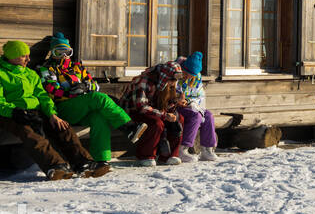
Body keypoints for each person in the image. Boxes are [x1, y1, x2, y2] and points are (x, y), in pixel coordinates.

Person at [0, 40, 106, 179]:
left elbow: (43, 96)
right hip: (10, 114)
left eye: (28, 55)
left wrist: (52, 114)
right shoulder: (2, 74)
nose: (28, 59)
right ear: (12, 56)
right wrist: (15, 112)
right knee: (30, 133)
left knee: (62, 127)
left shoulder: (30, 74)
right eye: (23, 56)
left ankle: (83, 162)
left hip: (35, 111)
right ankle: (54, 166)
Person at [37, 32, 144, 165]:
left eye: (67, 52)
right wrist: (72, 91)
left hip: (83, 106)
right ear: (52, 53)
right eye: (59, 53)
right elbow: (52, 90)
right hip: (63, 108)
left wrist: (86, 86)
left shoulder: (77, 67)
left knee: (98, 118)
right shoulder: (47, 69)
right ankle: (128, 127)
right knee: (99, 98)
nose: (64, 56)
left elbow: (95, 85)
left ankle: (101, 159)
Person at [117, 59, 185, 165]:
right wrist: (164, 115)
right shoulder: (143, 81)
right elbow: (141, 107)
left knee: (178, 118)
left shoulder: (167, 84)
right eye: (172, 80)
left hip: (153, 110)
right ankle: (146, 155)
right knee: (156, 123)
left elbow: (166, 103)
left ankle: (170, 155)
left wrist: (174, 105)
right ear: (165, 76)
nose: (173, 83)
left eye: (175, 80)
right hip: (132, 111)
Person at [176, 52, 218, 162]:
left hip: (191, 105)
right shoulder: (176, 73)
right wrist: (179, 100)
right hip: (176, 106)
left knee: (208, 115)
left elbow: (200, 95)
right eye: (187, 73)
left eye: (191, 75)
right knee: (196, 117)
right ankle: (183, 149)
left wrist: (191, 102)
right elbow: (169, 93)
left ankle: (207, 150)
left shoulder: (197, 77)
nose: (188, 77)